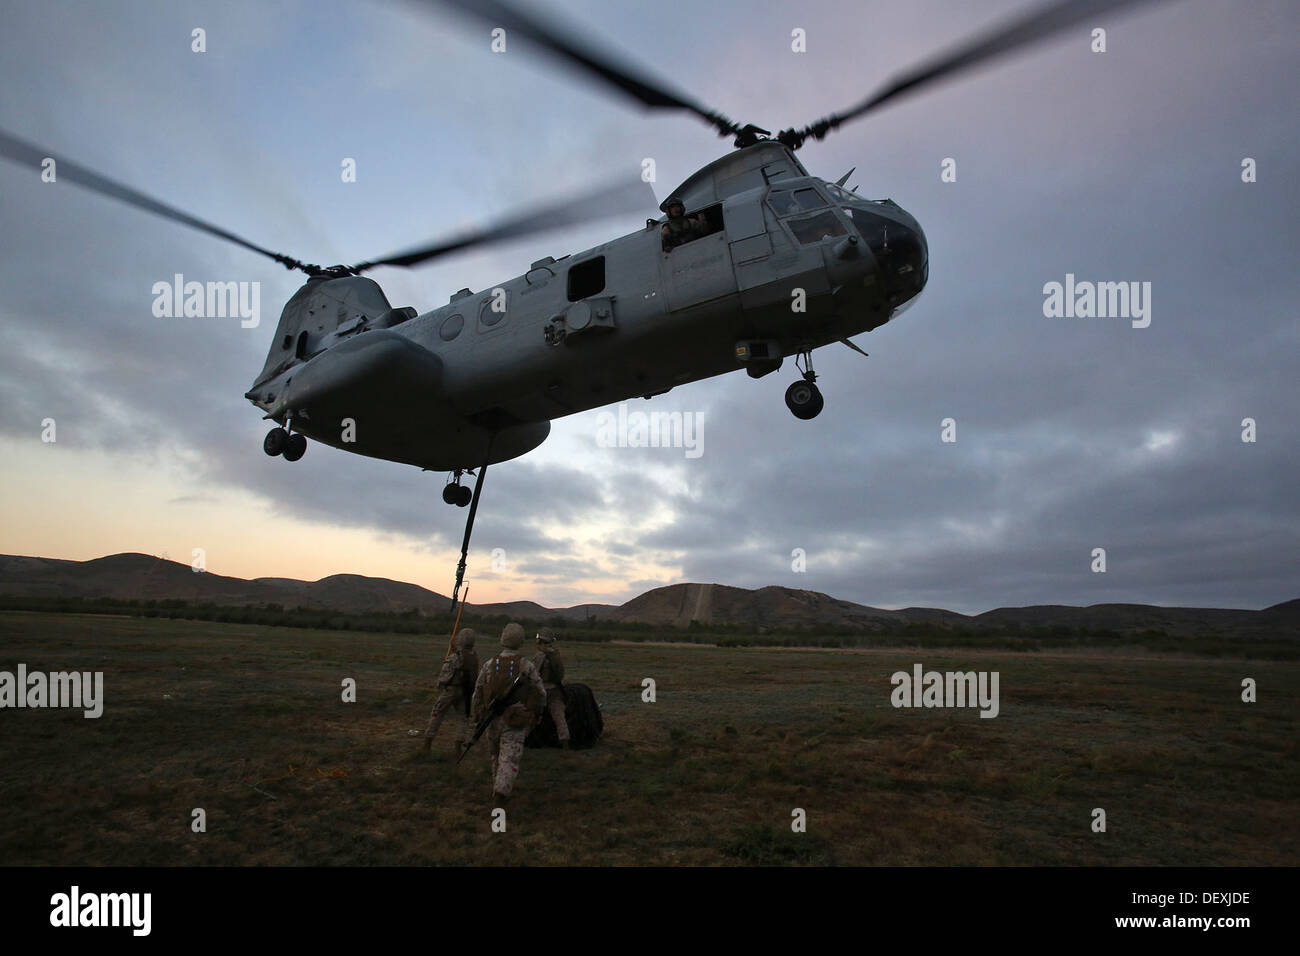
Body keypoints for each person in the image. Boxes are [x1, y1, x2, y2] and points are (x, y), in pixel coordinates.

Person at [470, 622, 545, 801]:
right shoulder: (526, 666)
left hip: (492, 717)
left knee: (495, 754)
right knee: (509, 757)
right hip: (516, 718)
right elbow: (541, 692)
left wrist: (477, 714)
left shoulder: (490, 664)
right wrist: (538, 712)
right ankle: (501, 793)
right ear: (521, 641)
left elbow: (478, 691)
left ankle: (497, 788)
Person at [422, 627, 479, 756]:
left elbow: (445, 674)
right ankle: (458, 748)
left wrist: (441, 685)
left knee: (437, 714)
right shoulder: (474, 656)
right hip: (465, 692)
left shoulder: (455, 657)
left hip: (451, 690)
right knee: (463, 719)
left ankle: (427, 744)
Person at [533, 628, 569, 749]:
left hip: (541, 690)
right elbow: (560, 674)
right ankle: (565, 742)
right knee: (559, 717)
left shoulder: (540, 656)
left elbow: (533, 675)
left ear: (541, 641)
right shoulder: (556, 654)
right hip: (555, 690)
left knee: (533, 715)